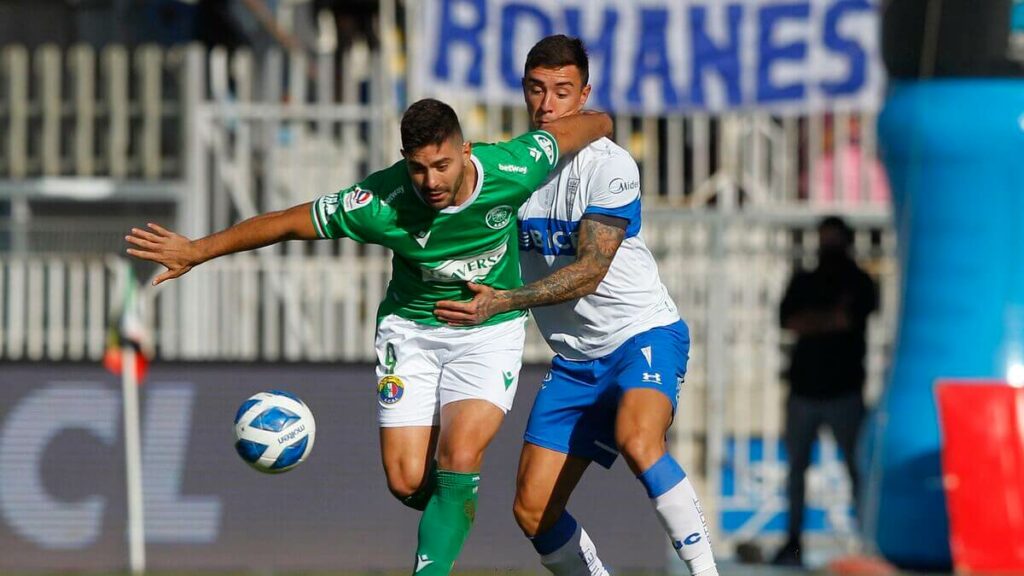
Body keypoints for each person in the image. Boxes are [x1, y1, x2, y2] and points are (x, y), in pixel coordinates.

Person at [125, 97, 612, 574]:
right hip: (411, 332)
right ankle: (455, 499)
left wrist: (605, 124)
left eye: (442, 165)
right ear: (405, 160)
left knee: (460, 454)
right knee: (407, 482)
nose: (431, 181)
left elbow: (582, 128)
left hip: (488, 331)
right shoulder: (380, 201)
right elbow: (286, 223)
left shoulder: (513, 167)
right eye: (418, 168)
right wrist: (197, 251)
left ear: (465, 151)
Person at [434, 36, 718, 576]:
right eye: (537, 90)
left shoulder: (610, 165)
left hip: (641, 335)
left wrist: (504, 301)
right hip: (574, 361)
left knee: (639, 439)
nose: (548, 105)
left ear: (583, 95)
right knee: (532, 510)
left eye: (562, 92)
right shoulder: (512, 171)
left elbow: (590, 271)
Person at [772, 215, 878, 566]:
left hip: (844, 391)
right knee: (796, 471)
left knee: (856, 469)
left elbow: (847, 320)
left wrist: (815, 322)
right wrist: (830, 319)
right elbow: (789, 321)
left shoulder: (859, 282)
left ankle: (867, 543)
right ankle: (793, 544)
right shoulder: (804, 280)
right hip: (804, 389)